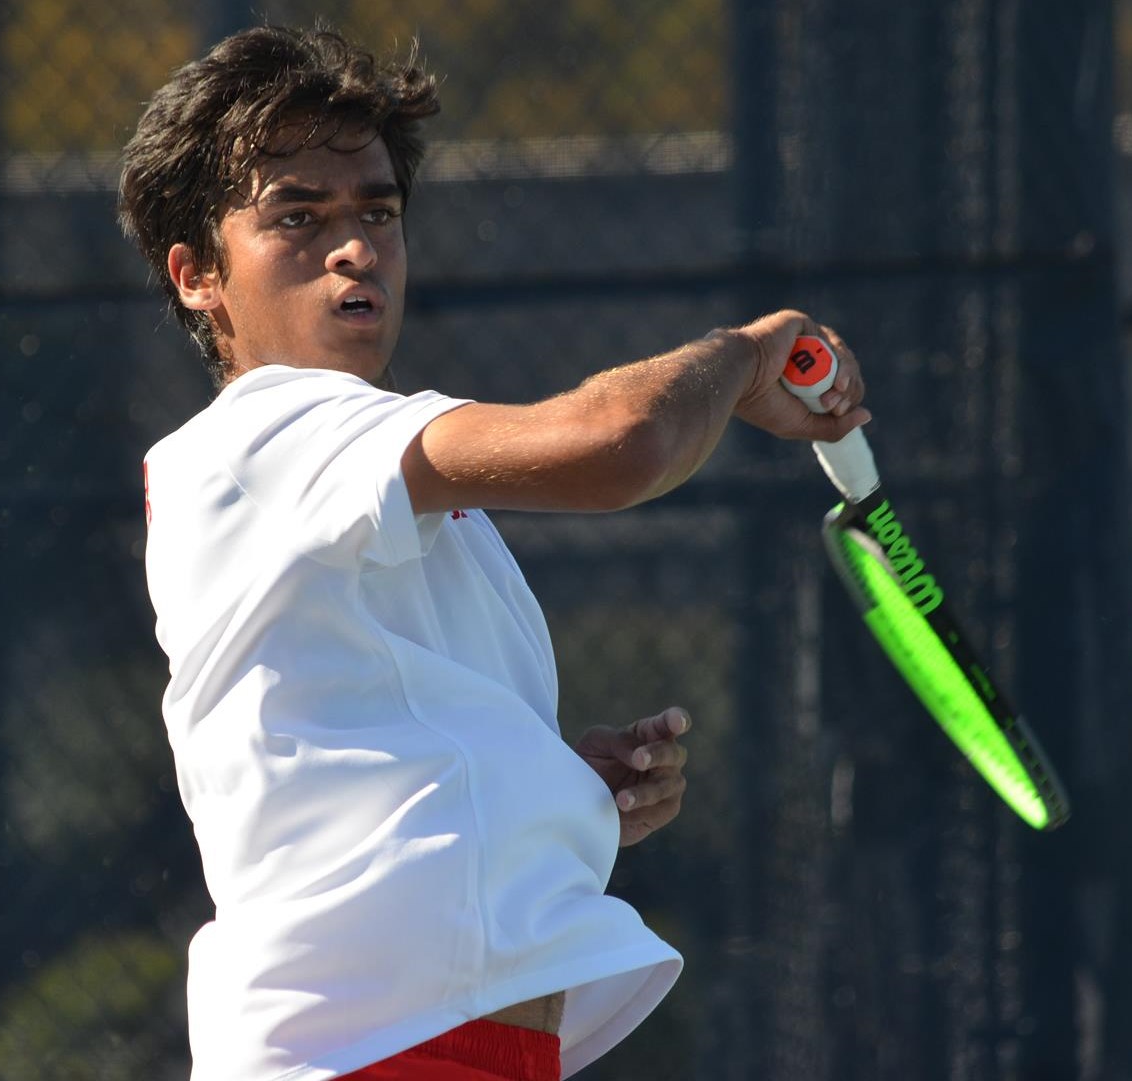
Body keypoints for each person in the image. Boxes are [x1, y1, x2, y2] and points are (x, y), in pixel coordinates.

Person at [118, 25, 868, 1081]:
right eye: (298, 217)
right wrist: (746, 357)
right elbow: (622, 446)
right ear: (196, 275)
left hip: (457, 1048)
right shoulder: (274, 429)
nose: (354, 248)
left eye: (377, 212)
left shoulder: (357, 485)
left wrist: (543, 783)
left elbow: (380, 737)